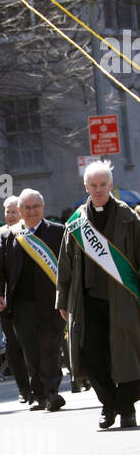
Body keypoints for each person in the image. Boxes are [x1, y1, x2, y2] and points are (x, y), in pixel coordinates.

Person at [56, 159, 140, 430]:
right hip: (87, 300)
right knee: (91, 355)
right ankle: (108, 403)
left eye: (103, 184)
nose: (99, 189)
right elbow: (65, 264)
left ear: (111, 184)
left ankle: (124, 409)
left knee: (126, 354)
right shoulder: (76, 223)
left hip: (124, 298)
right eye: (93, 185)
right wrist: (62, 299)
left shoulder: (129, 218)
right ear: (86, 186)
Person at [0, 189, 65, 412]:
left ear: (43, 208)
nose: (32, 211)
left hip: (52, 303)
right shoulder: (9, 235)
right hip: (21, 305)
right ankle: (39, 395)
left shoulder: (58, 232)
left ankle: (52, 392)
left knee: (50, 348)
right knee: (31, 351)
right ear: (20, 211)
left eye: (36, 207)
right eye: (27, 207)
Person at [0, 196, 31, 402]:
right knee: (12, 344)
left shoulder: (30, 233)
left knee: (33, 345)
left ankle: (41, 386)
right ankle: (24, 389)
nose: (9, 216)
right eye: (7, 211)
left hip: (29, 300)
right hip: (7, 302)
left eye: (13, 211)